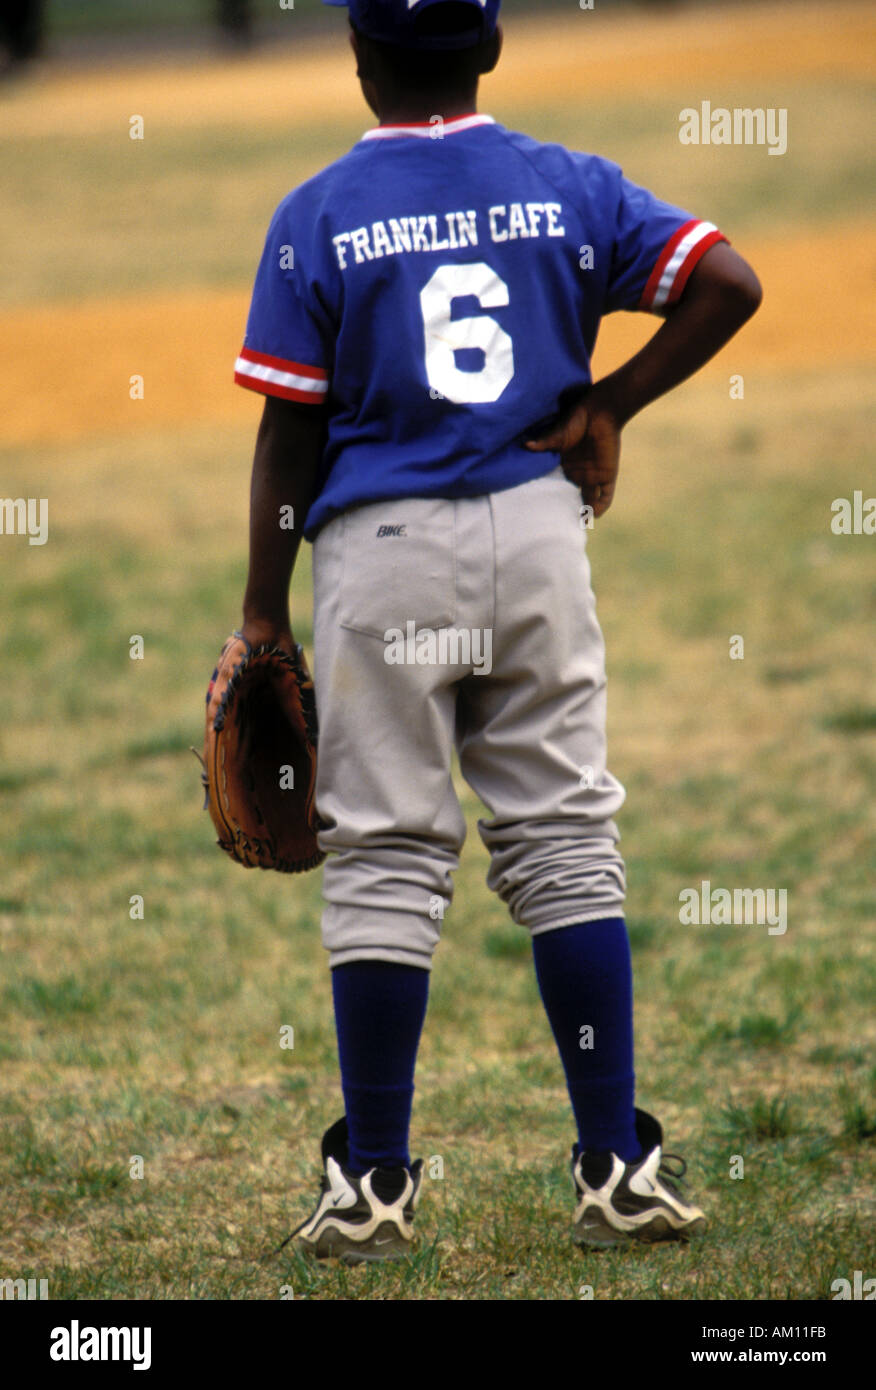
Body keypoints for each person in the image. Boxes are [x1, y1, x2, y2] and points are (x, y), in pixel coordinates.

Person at [231, 0, 762, 1263]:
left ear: (360, 62)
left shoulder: (318, 212)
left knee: (387, 858)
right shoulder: (565, 183)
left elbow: (290, 434)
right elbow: (728, 282)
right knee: (567, 840)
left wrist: (262, 608)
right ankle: (616, 1165)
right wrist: (608, 403)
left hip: (383, 553)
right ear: (493, 51)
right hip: (537, 536)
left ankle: (372, 1181)